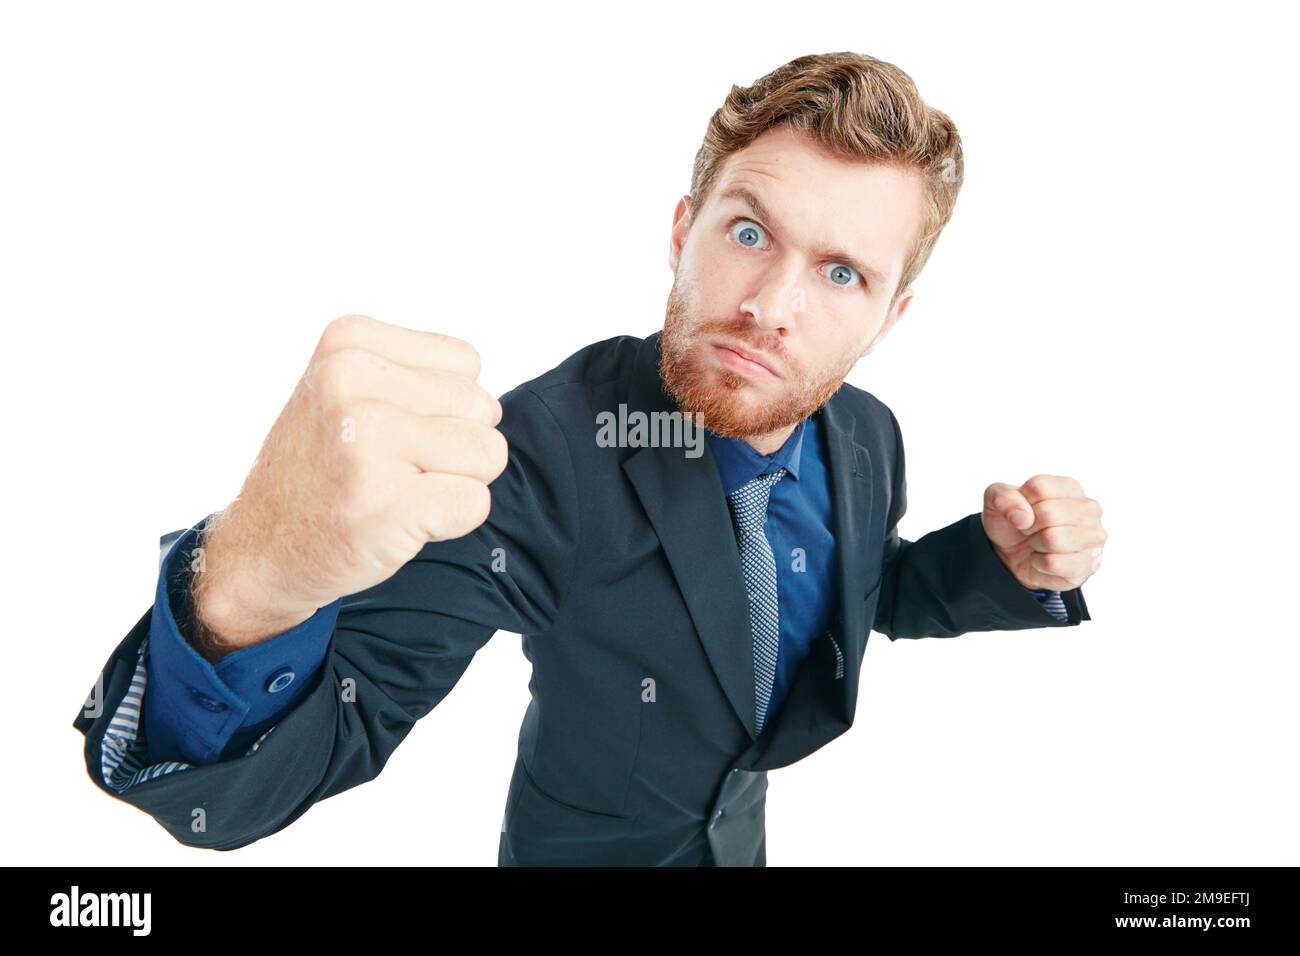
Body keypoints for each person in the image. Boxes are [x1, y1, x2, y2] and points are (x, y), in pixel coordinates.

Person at [73, 51, 1105, 866]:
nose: (772, 307)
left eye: (841, 272)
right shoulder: (551, 454)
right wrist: (250, 580)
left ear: (889, 315)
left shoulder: (866, 431)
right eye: (749, 231)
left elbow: (865, 583)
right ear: (682, 227)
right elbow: (307, 745)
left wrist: (996, 566)